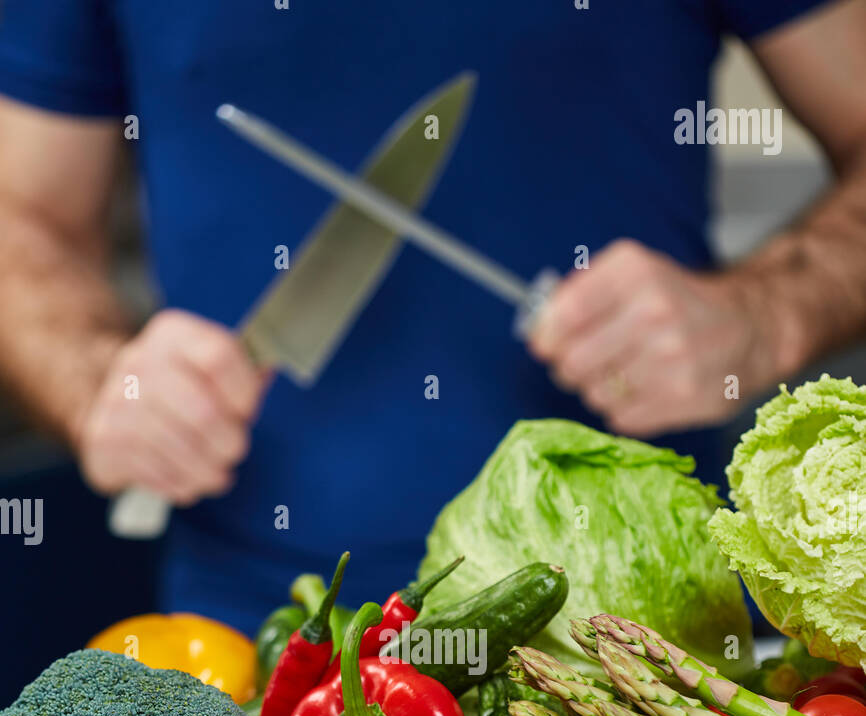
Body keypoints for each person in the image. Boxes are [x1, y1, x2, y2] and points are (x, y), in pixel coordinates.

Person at [0, 0, 864, 630]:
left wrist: (762, 312)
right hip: (254, 644)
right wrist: (94, 380)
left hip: (646, 630)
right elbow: (18, 219)